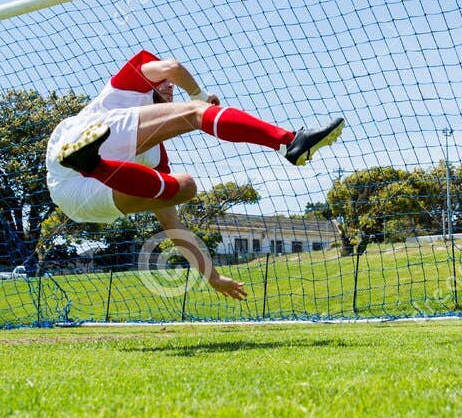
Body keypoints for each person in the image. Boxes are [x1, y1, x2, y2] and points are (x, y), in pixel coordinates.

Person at [45, 50, 344, 302]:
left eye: (170, 87)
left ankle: (94, 165)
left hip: (79, 198)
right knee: (195, 113)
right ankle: (289, 141)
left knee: (184, 188)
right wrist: (199, 95)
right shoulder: (126, 88)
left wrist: (212, 276)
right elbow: (173, 68)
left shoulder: (155, 157)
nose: (168, 87)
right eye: (163, 85)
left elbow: (173, 226)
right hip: (70, 148)